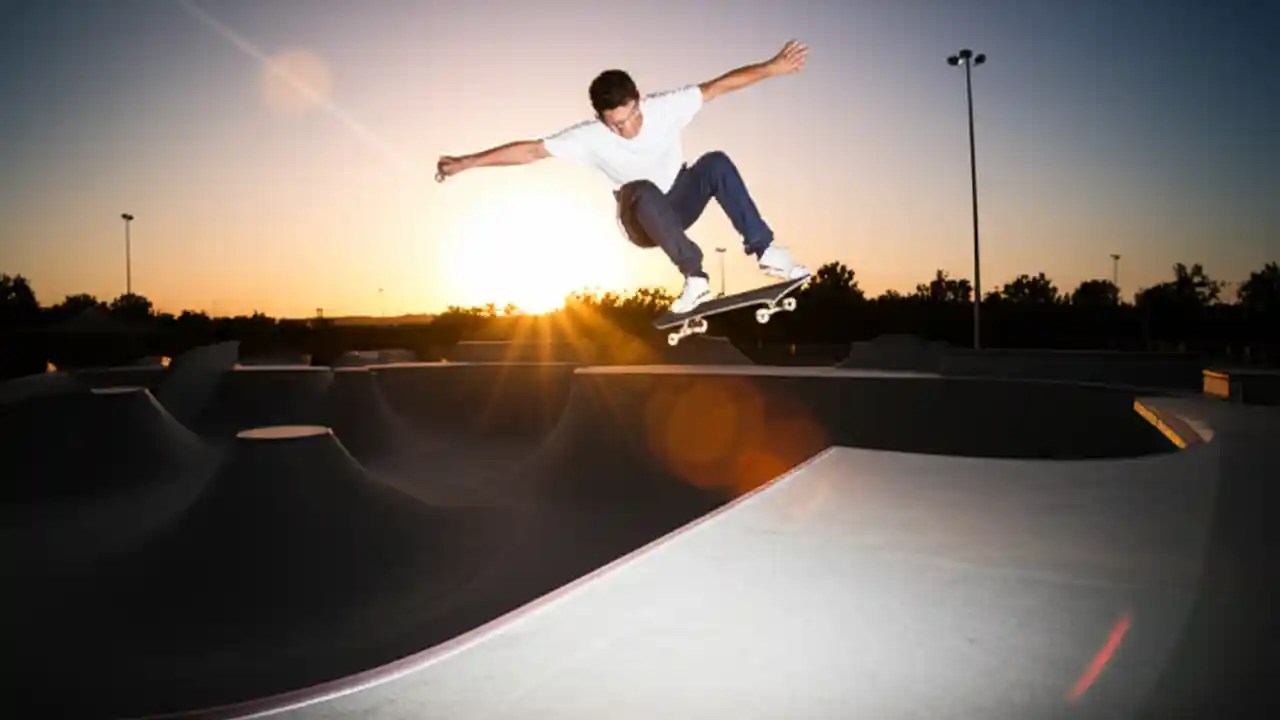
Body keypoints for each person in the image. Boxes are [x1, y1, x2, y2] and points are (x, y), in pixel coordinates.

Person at [436, 40, 812, 314]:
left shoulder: (666, 107)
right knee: (642, 189)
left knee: (715, 162)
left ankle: (767, 252)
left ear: (639, 99)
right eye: (618, 124)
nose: (629, 128)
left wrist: (771, 67)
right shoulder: (587, 137)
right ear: (602, 119)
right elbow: (532, 151)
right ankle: (695, 277)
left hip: (679, 203)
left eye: (634, 115)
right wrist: (468, 162)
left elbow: (718, 87)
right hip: (640, 220)